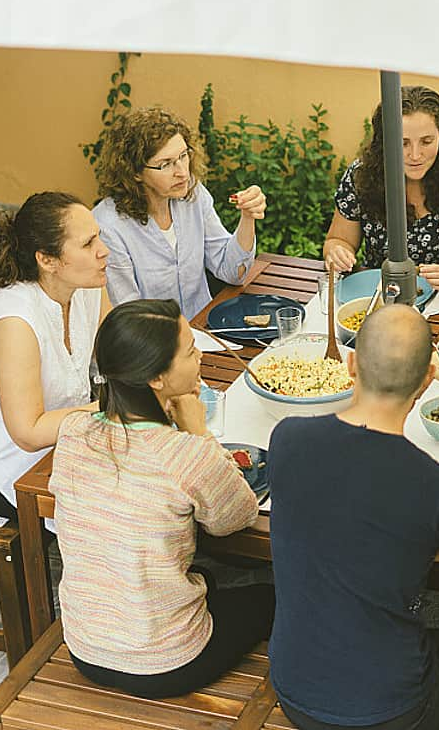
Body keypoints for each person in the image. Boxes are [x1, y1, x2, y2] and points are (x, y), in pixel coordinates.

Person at [266, 304, 439, 730]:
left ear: (350, 364)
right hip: (395, 712)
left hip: (294, 691)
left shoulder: (286, 439)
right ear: (427, 380)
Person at [50, 299, 274, 698]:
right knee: (271, 594)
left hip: (84, 646)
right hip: (168, 663)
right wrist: (197, 432)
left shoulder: (72, 433)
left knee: (202, 578)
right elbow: (237, 516)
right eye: (190, 350)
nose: (200, 356)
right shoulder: (186, 453)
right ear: (155, 378)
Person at [0, 191, 111, 526]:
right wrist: (119, 406)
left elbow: (122, 349)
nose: (103, 250)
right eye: (87, 243)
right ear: (47, 260)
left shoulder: (88, 286)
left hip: (66, 443)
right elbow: (29, 433)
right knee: (132, 496)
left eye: (99, 236)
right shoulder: (15, 323)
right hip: (5, 469)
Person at [93, 106, 267, 318]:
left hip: (204, 328)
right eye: (165, 164)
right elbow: (129, 317)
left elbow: (232, 272)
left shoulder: (192, 194)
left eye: (183, 156)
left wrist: (248, 217)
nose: (183, 172)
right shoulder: (108, 226)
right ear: (135, 172)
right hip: (155, 344)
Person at [323, 85, 439, 290]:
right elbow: (338, 240)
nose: (415, 155)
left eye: (426, 141)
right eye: (402, 143)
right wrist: (337, 252)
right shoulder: (361, 175)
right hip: (380, 294)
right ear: (383, 141)